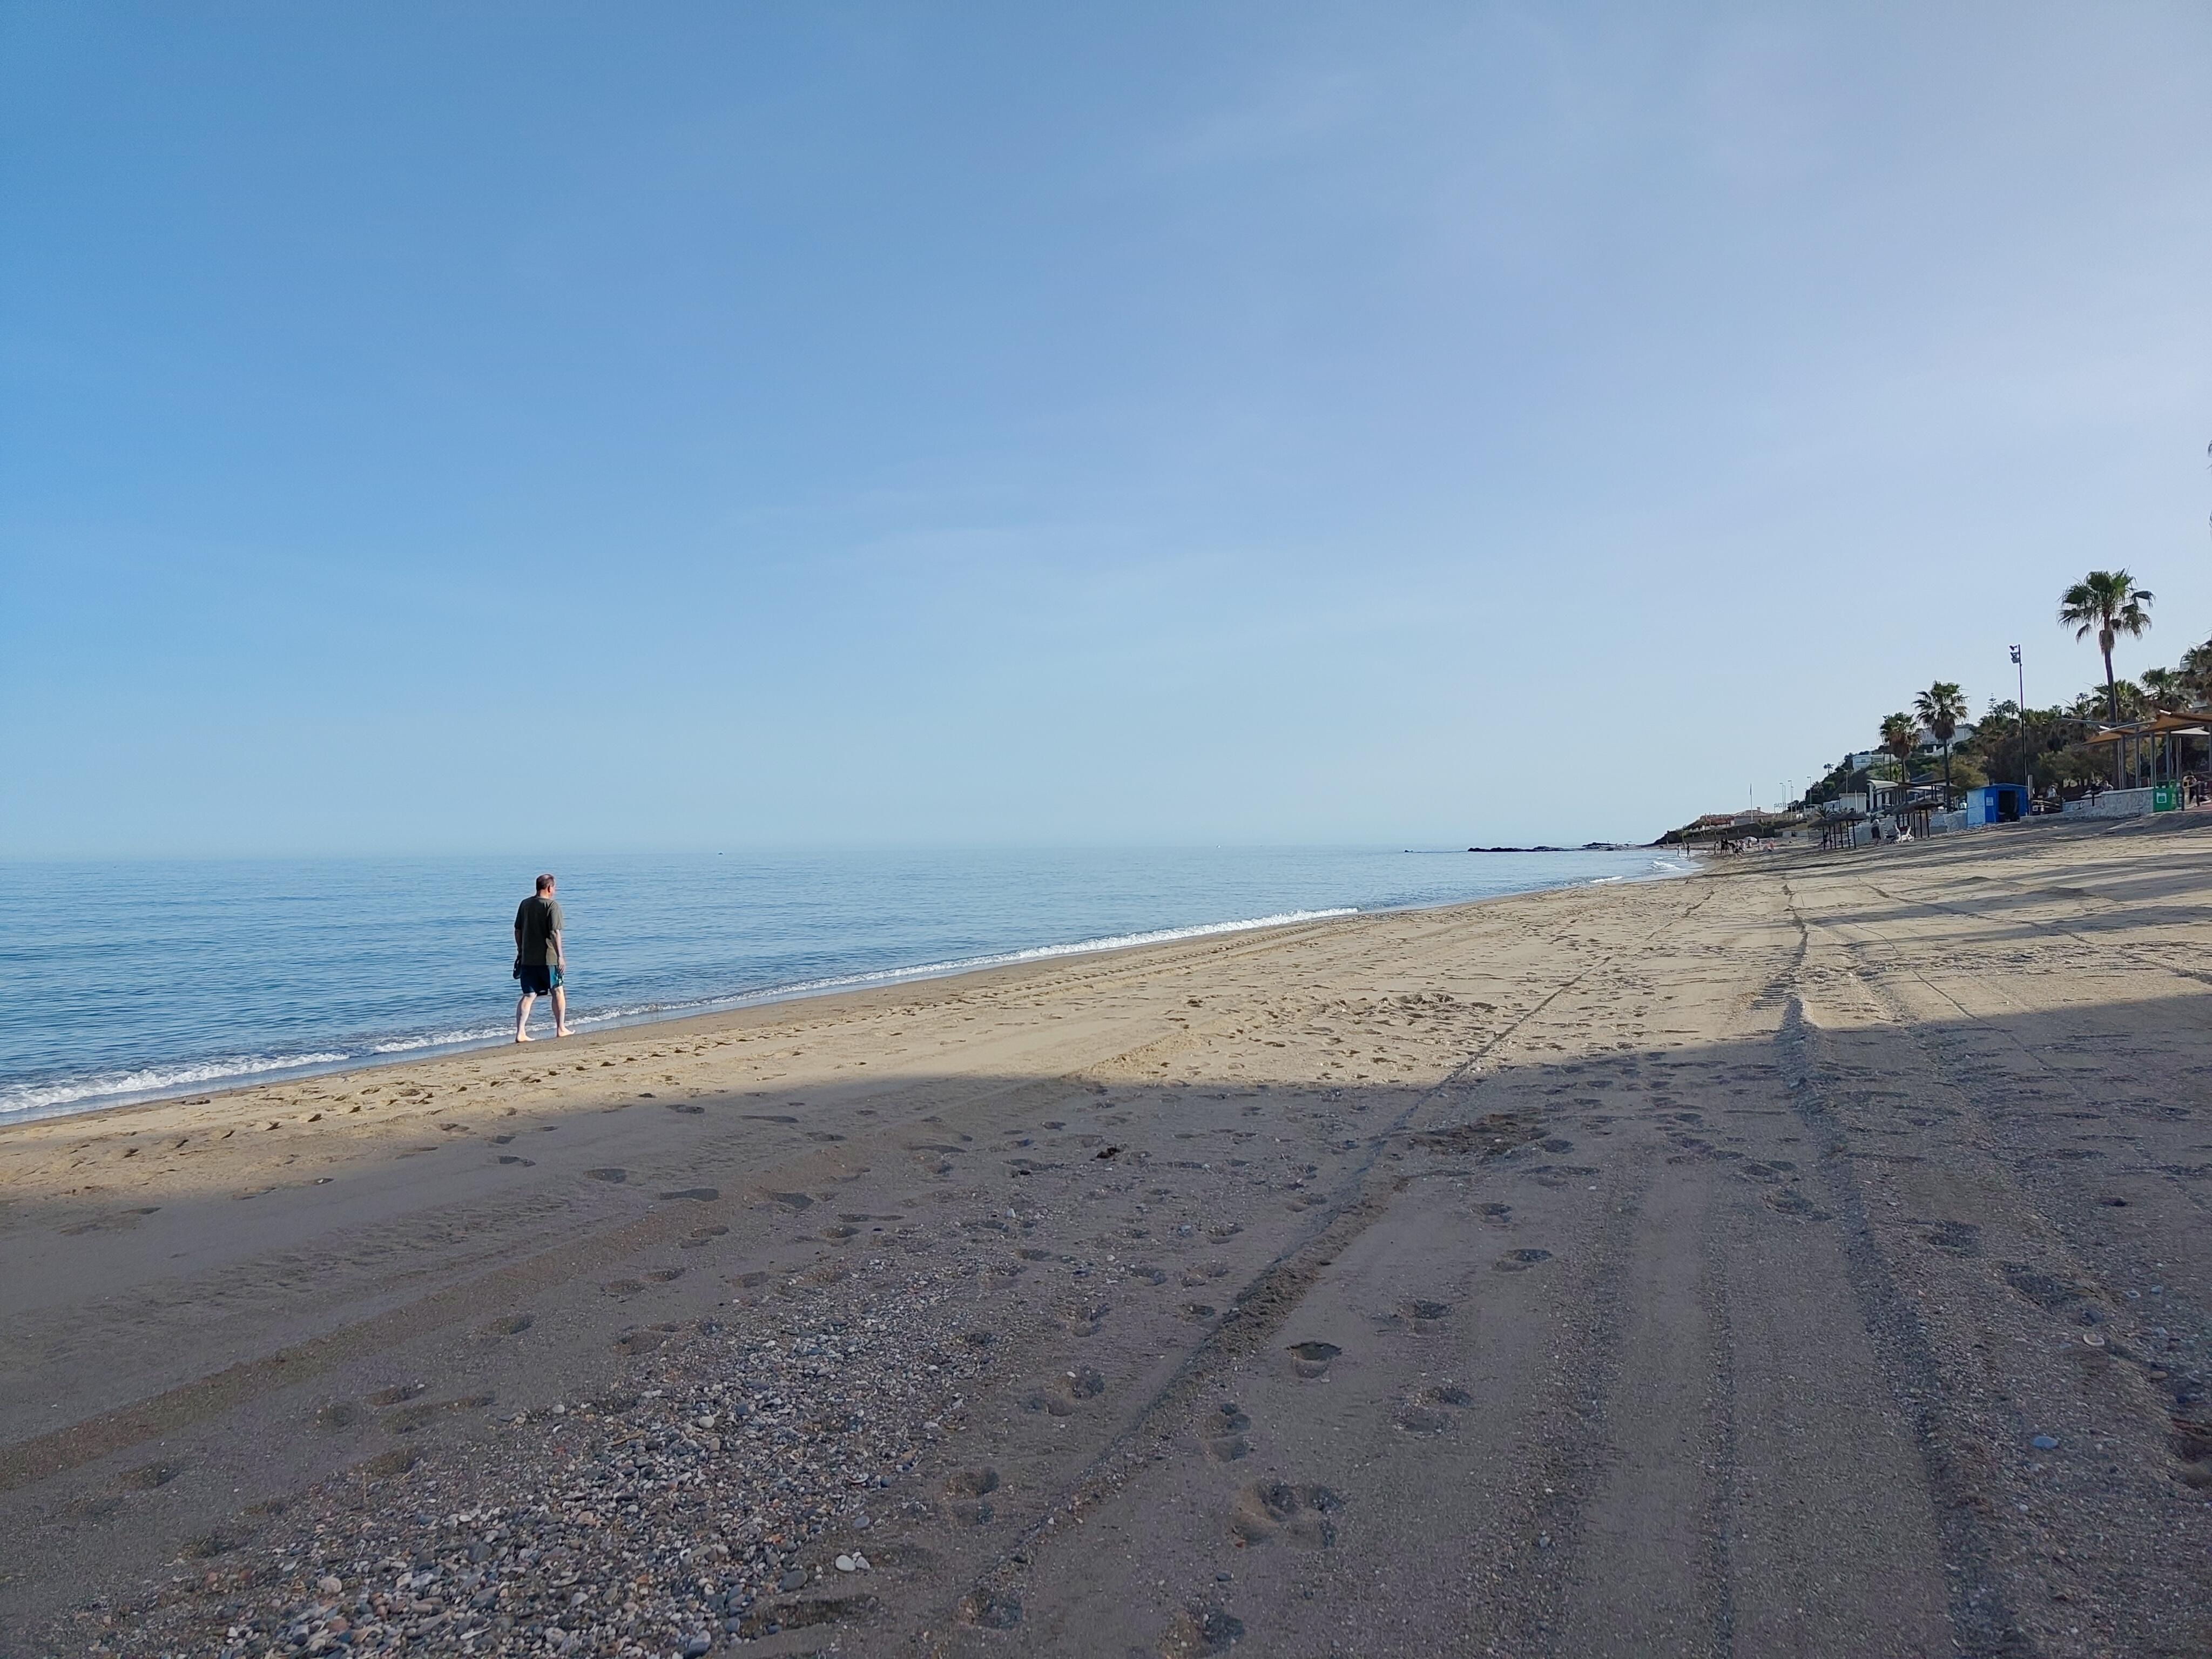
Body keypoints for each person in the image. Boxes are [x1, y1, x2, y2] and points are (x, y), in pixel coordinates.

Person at [513, 873, 572, 1042]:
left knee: (529, 995)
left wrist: (520, 950)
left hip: (528, 959)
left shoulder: (525, 904)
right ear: (549, 888)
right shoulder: (552, 906)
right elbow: (555, 932)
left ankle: (521, 1032)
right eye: (554, 887)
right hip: (548, 958)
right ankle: (561, 1028)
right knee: (558, 991)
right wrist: (561, 956)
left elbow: (517, 930)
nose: (555, 890)